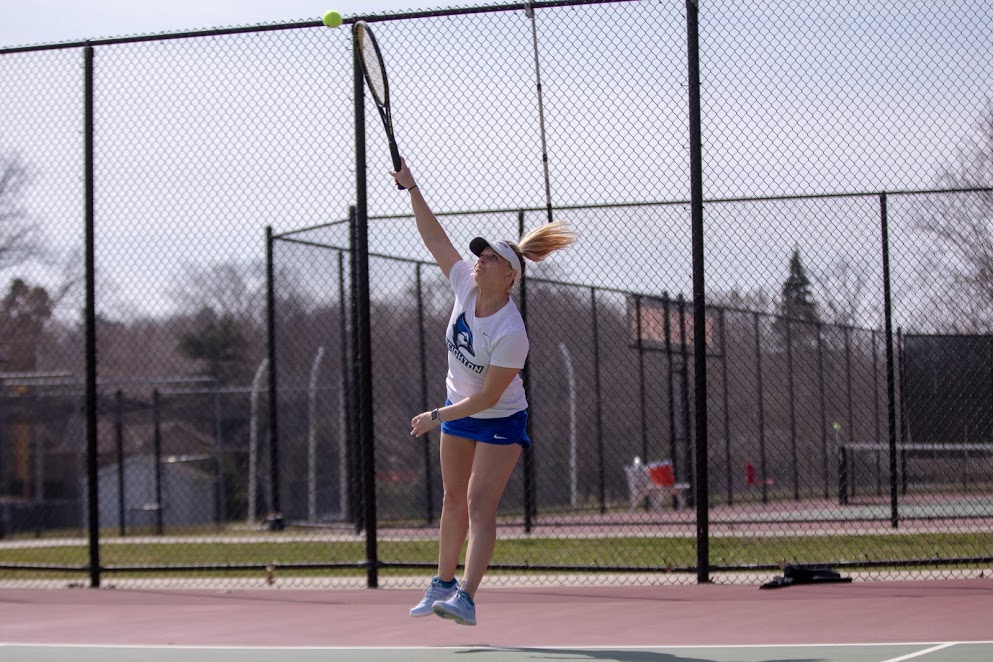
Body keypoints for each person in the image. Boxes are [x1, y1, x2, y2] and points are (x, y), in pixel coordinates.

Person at [392, 158, 575, 626]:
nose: (480, 261)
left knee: (479, 504)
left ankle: (467, 597)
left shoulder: (512, 331)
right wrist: (413, 187)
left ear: (509, 276)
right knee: (452, 499)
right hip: (456, 409)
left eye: (490, 258)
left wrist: (438, 415)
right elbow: (435, 238)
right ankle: (442, 582)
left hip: (498, 417)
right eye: (481, 255)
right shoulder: (464, 286)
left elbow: (489, 399)